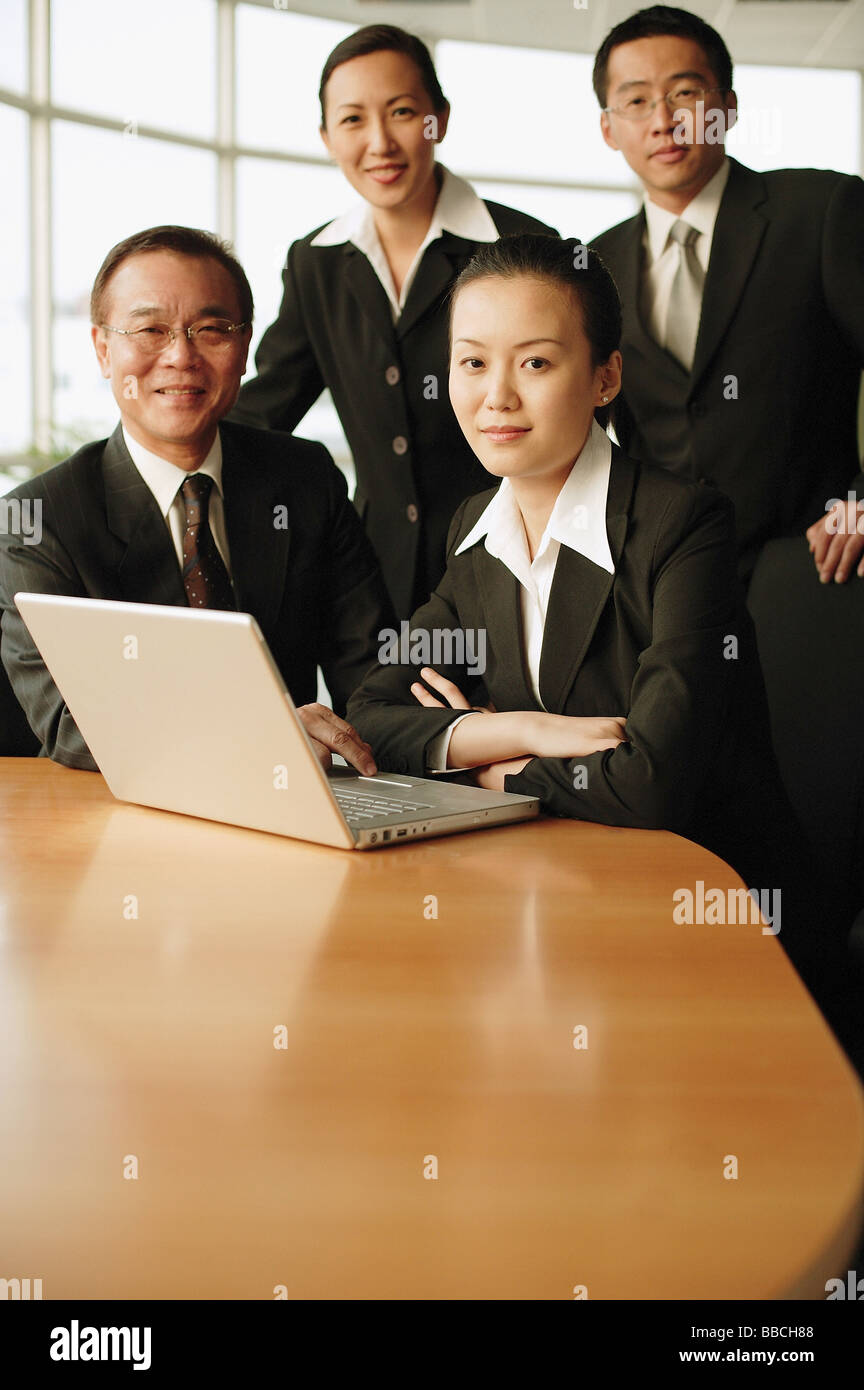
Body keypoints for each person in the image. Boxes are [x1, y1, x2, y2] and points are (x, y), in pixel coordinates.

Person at [346, 234, 860, 1050]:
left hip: (718, 933)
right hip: (558, 911)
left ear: (605, 378)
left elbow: (652, 783)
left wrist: (491, 770)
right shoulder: (473, 532)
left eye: (537, 364)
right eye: (473, 364)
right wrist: (524, 733)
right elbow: (367, 714)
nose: (496, 399)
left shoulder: (681, 525)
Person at [0, 226, 390, 776]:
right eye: (150, 329)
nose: (181, 356)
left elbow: (373, 671)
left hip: (296, 811)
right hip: (117, 824)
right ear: (103, 349)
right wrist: (264, 734)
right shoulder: (39, 522)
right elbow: (71, 725)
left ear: (245, 344)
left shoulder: (305, 479)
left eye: (210, 329)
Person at [230, 23, 558, 621]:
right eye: (352, 120)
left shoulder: (523, 246)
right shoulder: (317, 263)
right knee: (381, 715)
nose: (379, 142)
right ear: (327, 137)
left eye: (402, 111)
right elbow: (267, 408)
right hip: (370, 578)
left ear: (440, 118)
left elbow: (581, 404)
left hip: (518, 559)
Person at [589, 5, 864, 586]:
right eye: (636, 101)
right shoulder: (595, 262)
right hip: (663, 580)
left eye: (684, 92)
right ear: (609, 128)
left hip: (815, 567)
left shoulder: (821, 212)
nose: (663, 120)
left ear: (728, 108)